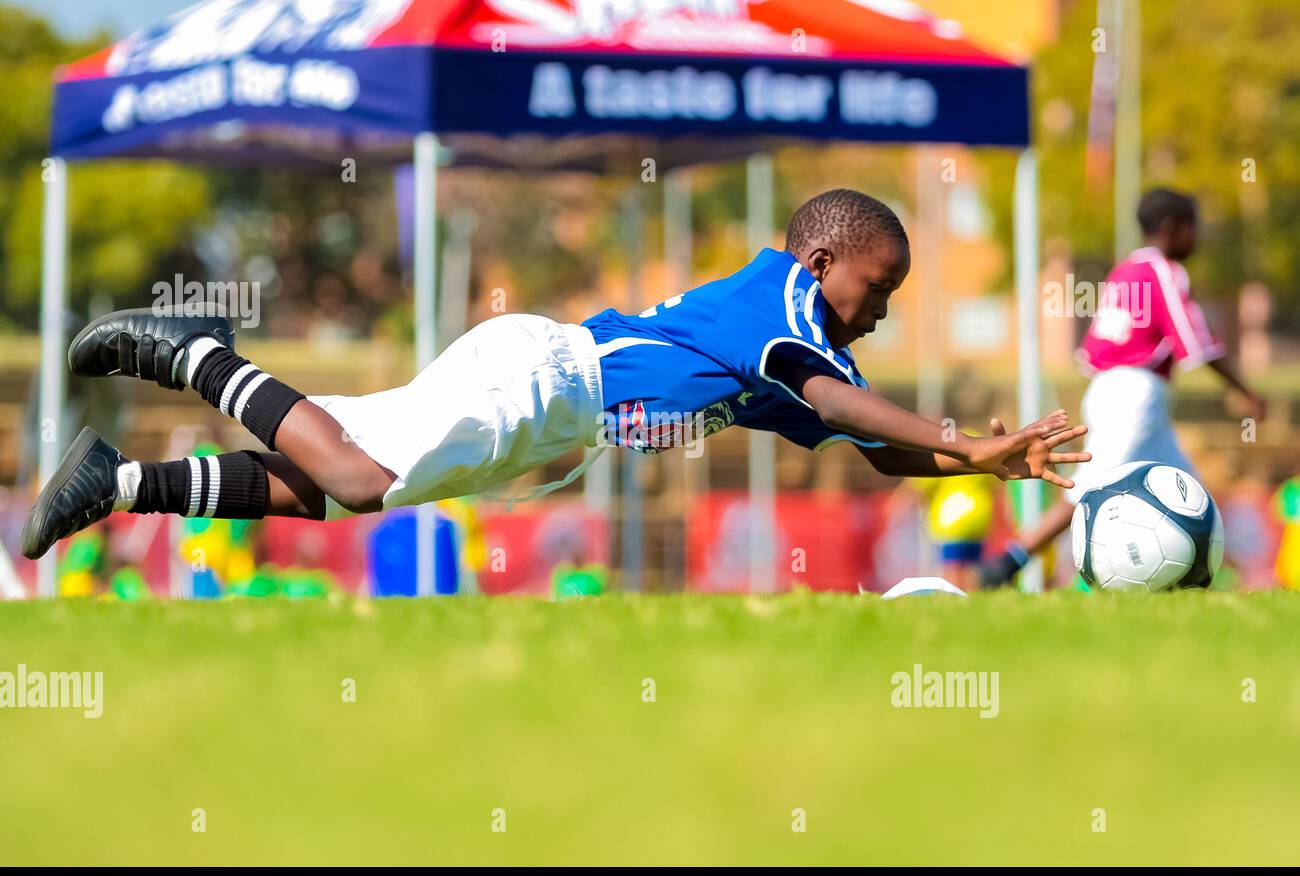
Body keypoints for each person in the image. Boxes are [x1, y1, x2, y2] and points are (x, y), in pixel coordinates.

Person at [23, 189, 1088, 562]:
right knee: (354, 478)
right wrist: (963, 433)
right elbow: (840, 400)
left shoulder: (795, 352)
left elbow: (865, 440)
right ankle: (181, 348)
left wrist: (974, 463)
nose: (886, 305)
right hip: (544, 378)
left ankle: (115, 483)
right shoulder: (781, 305)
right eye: (880, 282)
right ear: (821, 262)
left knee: (325, 483)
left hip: (553, 430)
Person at [979, 187, 1265, 588]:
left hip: (1112, 388)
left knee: (1190, 491)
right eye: (1192, 229)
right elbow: (1197, 342)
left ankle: (1228, 580)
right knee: (1088, 487)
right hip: (1135, 393)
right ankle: (1005, 565)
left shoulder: (1126, 270)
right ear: (1172, 228)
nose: (1197, 239)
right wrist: (1246, 391)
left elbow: (1095, 348)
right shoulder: (1164, 272)